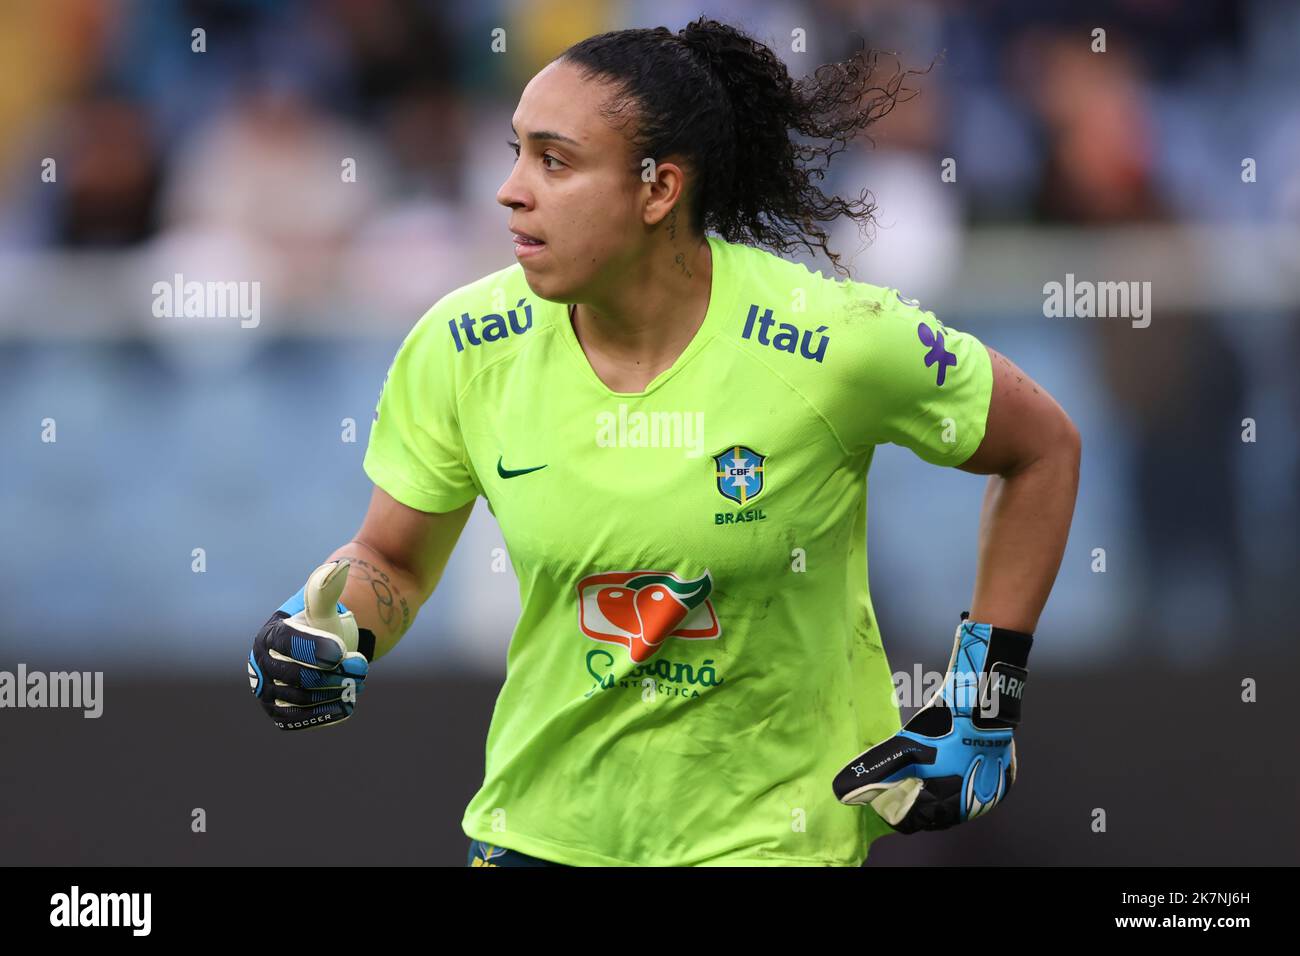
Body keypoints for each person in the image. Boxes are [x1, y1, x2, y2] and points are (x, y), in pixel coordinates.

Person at [247, 17, 1080, 867]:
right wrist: (331, 628)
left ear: (658, 190)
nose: (509, 189)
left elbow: (1042, 446)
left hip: (766, 843)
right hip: (536, 836)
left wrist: (985, 702)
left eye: (554, 160)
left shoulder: (833, 341)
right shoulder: (463, 343)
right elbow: (395, 558)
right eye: (515, 152)